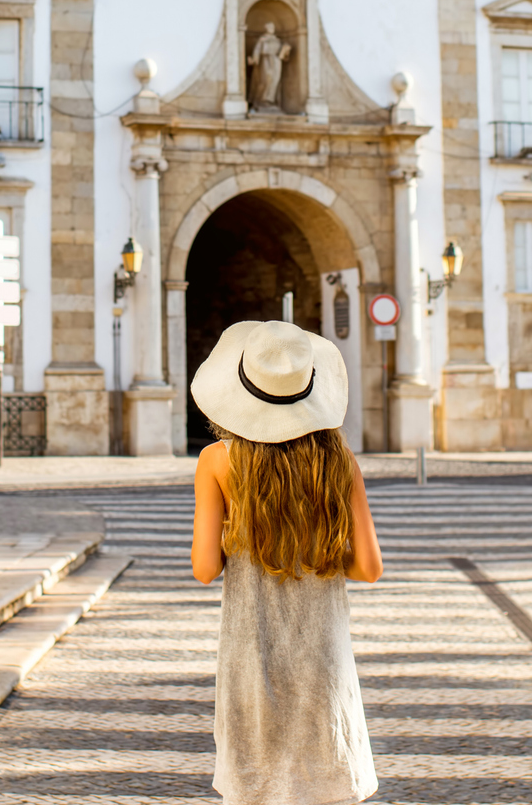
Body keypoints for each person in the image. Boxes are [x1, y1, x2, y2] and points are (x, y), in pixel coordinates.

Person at [191, 320, 383, 805]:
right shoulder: (340, 460)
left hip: (250, 653)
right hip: (323, 656)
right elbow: (369, 567)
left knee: (256, 785)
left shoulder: (217, 461)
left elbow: (204, 568)